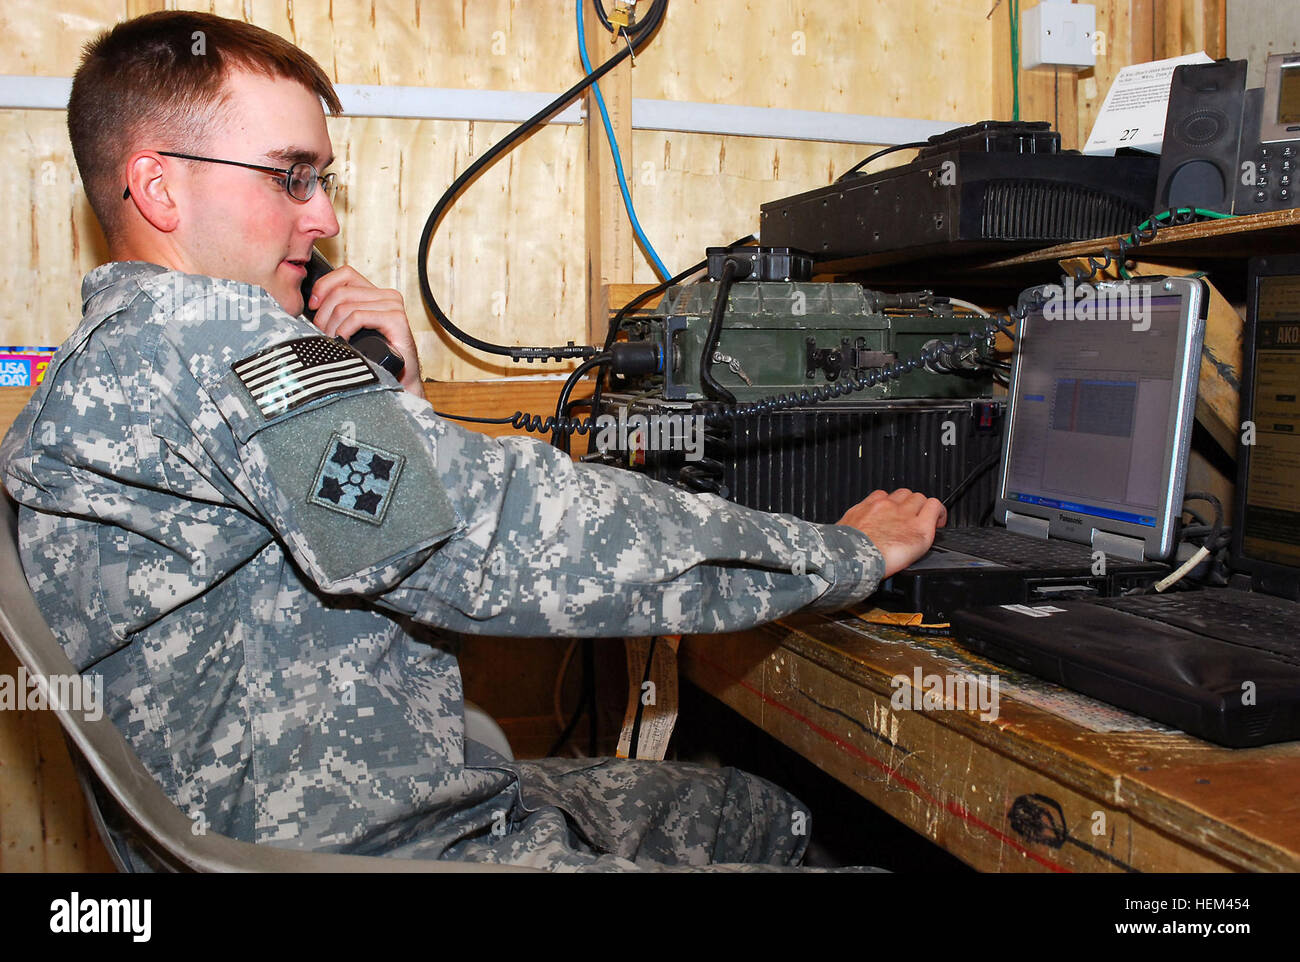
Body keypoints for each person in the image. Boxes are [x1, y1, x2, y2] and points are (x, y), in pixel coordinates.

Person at [0, 11, 946, 870]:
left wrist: (393, 400)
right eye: (291, 176)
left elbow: (390, 523)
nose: (323, 216)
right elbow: (498, 540)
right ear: (159, 186)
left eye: (323, 181)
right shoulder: (224, 343)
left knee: (757, 809)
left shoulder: (116, 358)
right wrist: (842, 555)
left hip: (334, 804)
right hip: (387, 847)